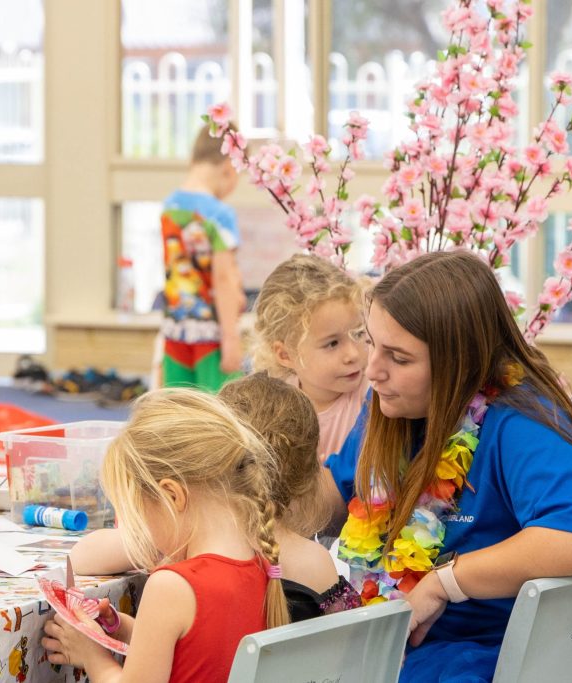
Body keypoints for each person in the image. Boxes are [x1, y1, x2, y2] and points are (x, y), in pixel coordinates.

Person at [325, 251, 572, 682]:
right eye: (371, 342)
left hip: (493, 657)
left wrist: (444, 583)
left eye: (399, 358)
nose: (372, 370)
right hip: (400, 646)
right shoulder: (390, 405)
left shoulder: (518, 420)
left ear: (459, 364)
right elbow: (333, 495)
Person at [43, 388, 287, 682]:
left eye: (138, 513)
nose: (141, 528)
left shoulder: (172, 586)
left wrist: (92, 656)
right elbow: (199, 650)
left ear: (172, 496)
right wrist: (124, 629)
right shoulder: (261, 563)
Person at [70, 372, 359, 620]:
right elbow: (348, 642)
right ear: (310, 473)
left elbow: (80, 558)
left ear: (210, 459)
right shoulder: (317, 562)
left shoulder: (194, 545)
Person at [252, 253, 370, 460]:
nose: (352, 354)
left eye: (358, 334)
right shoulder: (276, 406)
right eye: (332, 343)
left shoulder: (370, 394)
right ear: (286, 355)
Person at [159, 125, 245, 393]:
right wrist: (231, 338)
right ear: (228, 169)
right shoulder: (219, 215)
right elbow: (223, 278)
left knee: (177, 408)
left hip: (175, 331)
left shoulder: (169, 206)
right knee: (217, 409)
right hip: (211, 336)